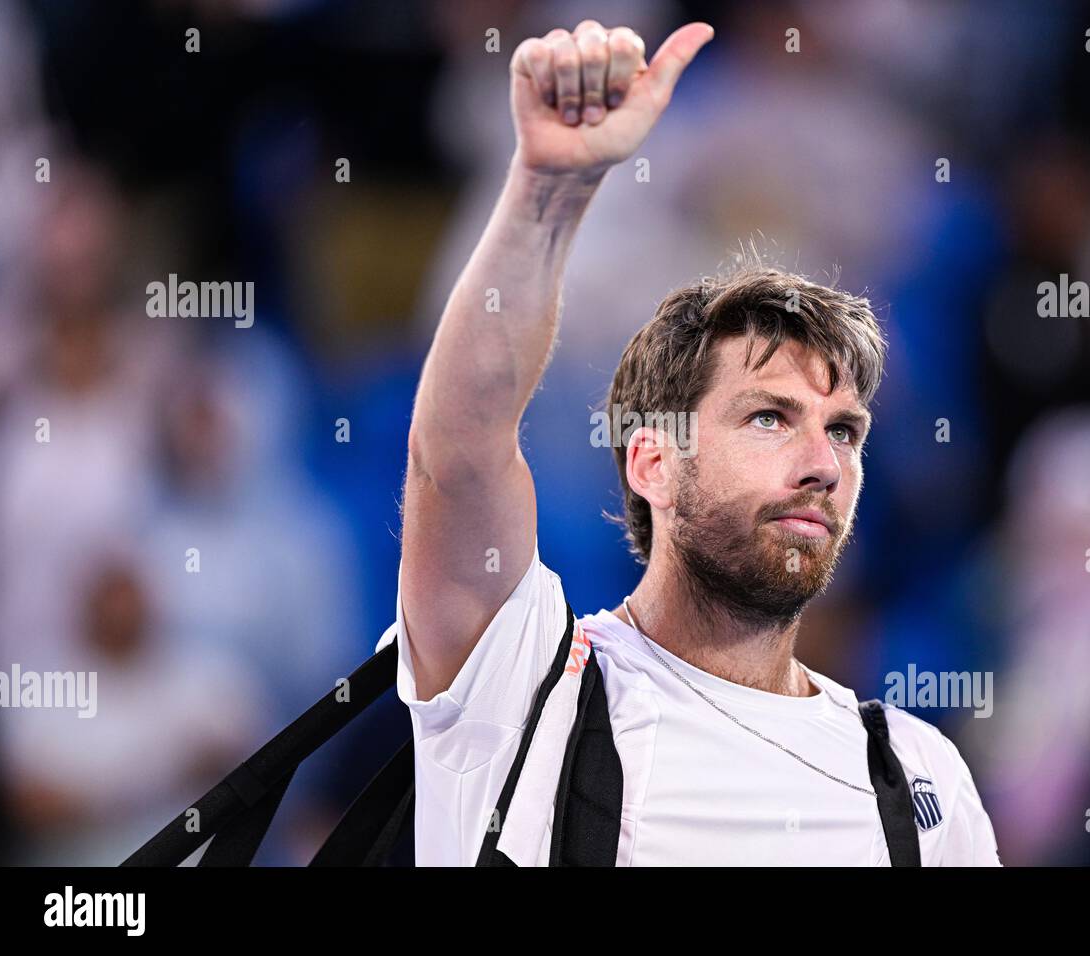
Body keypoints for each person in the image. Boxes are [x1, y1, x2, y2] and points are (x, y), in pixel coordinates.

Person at [379, 18, 1001, 866]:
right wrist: (545, 192)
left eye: (844, 431)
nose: (823, 464)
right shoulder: (523, 692)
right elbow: (457, 457)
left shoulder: (919, 776)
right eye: (768, 418)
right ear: (653, 460)